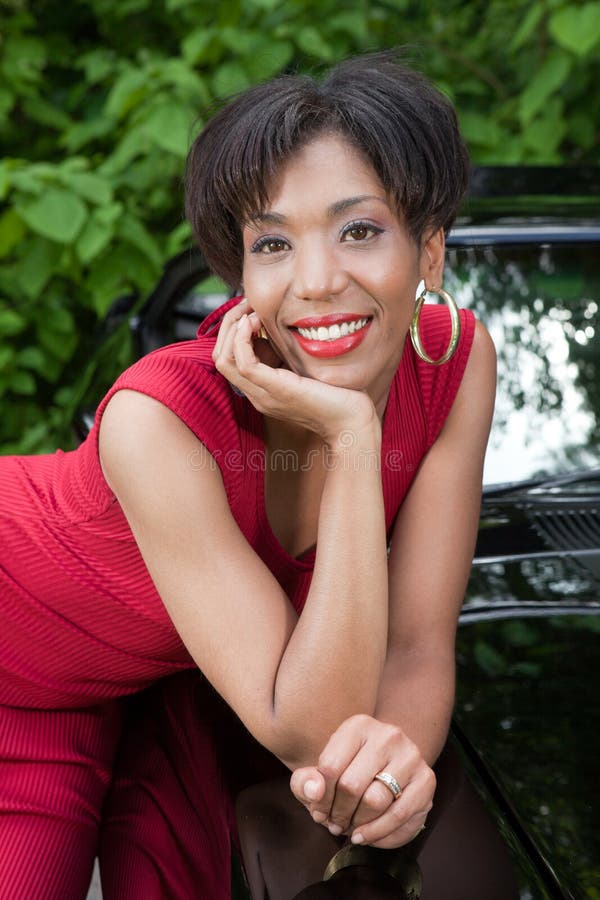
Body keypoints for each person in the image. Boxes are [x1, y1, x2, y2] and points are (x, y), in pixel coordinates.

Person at [0, 52, 500, 899]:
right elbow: (305, 724)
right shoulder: (158, 419)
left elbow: (415, 646)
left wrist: (389, 772)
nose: (315, 281)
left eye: (359, 230)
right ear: (243, 278)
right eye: (273, 242)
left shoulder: (457, 359)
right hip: (20, 666)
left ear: (431, 251)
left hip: (149, 682)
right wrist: (348, 436)